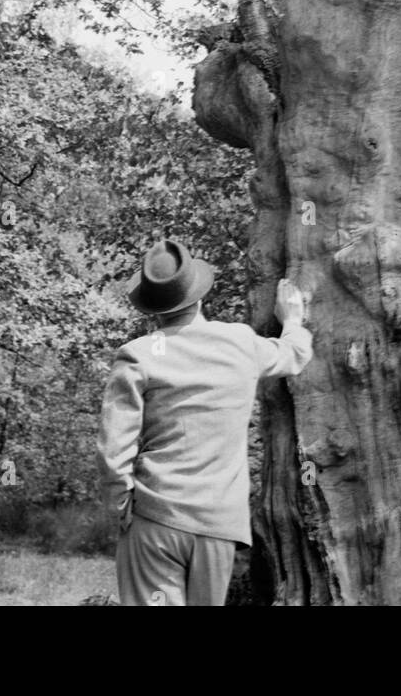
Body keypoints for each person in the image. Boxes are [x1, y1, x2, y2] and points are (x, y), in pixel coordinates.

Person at [96, 236, 312, 607]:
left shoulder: (138, 355)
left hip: (156, 517)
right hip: (219, 524)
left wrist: (121, 507)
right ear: (198, 296)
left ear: (153, 308)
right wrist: (292, 320)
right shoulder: (241, 343)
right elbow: (293, 355)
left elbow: (114, 448)